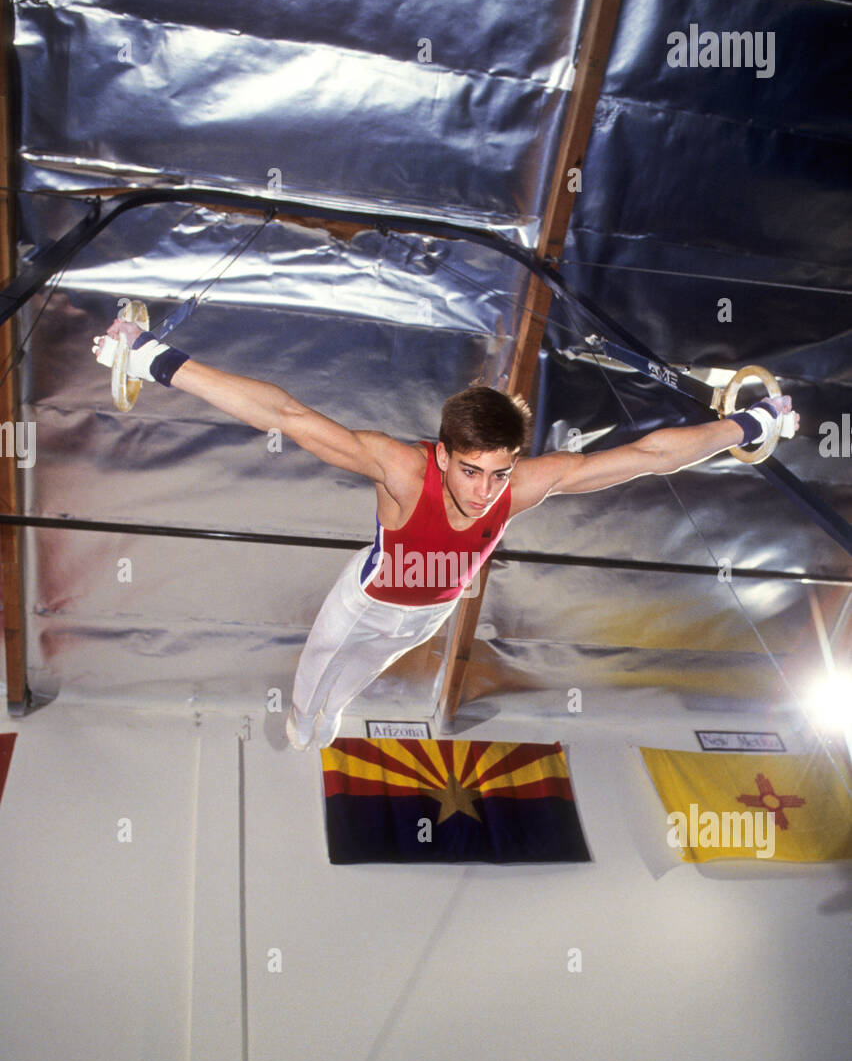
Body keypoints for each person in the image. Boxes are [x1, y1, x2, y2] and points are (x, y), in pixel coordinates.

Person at [93, 317, 800, 749]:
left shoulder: (521, 485)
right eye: (470, 471)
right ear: (441, 454)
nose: (485, 492)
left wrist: (749, 424)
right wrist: (158, 360)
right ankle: (306, 725)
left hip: (429, 615)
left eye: (499, 473)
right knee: (317, 695)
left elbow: (647, 456)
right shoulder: (402, 470)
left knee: (360, 678)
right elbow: (285, 415)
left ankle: (324, 718)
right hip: (366, 602)